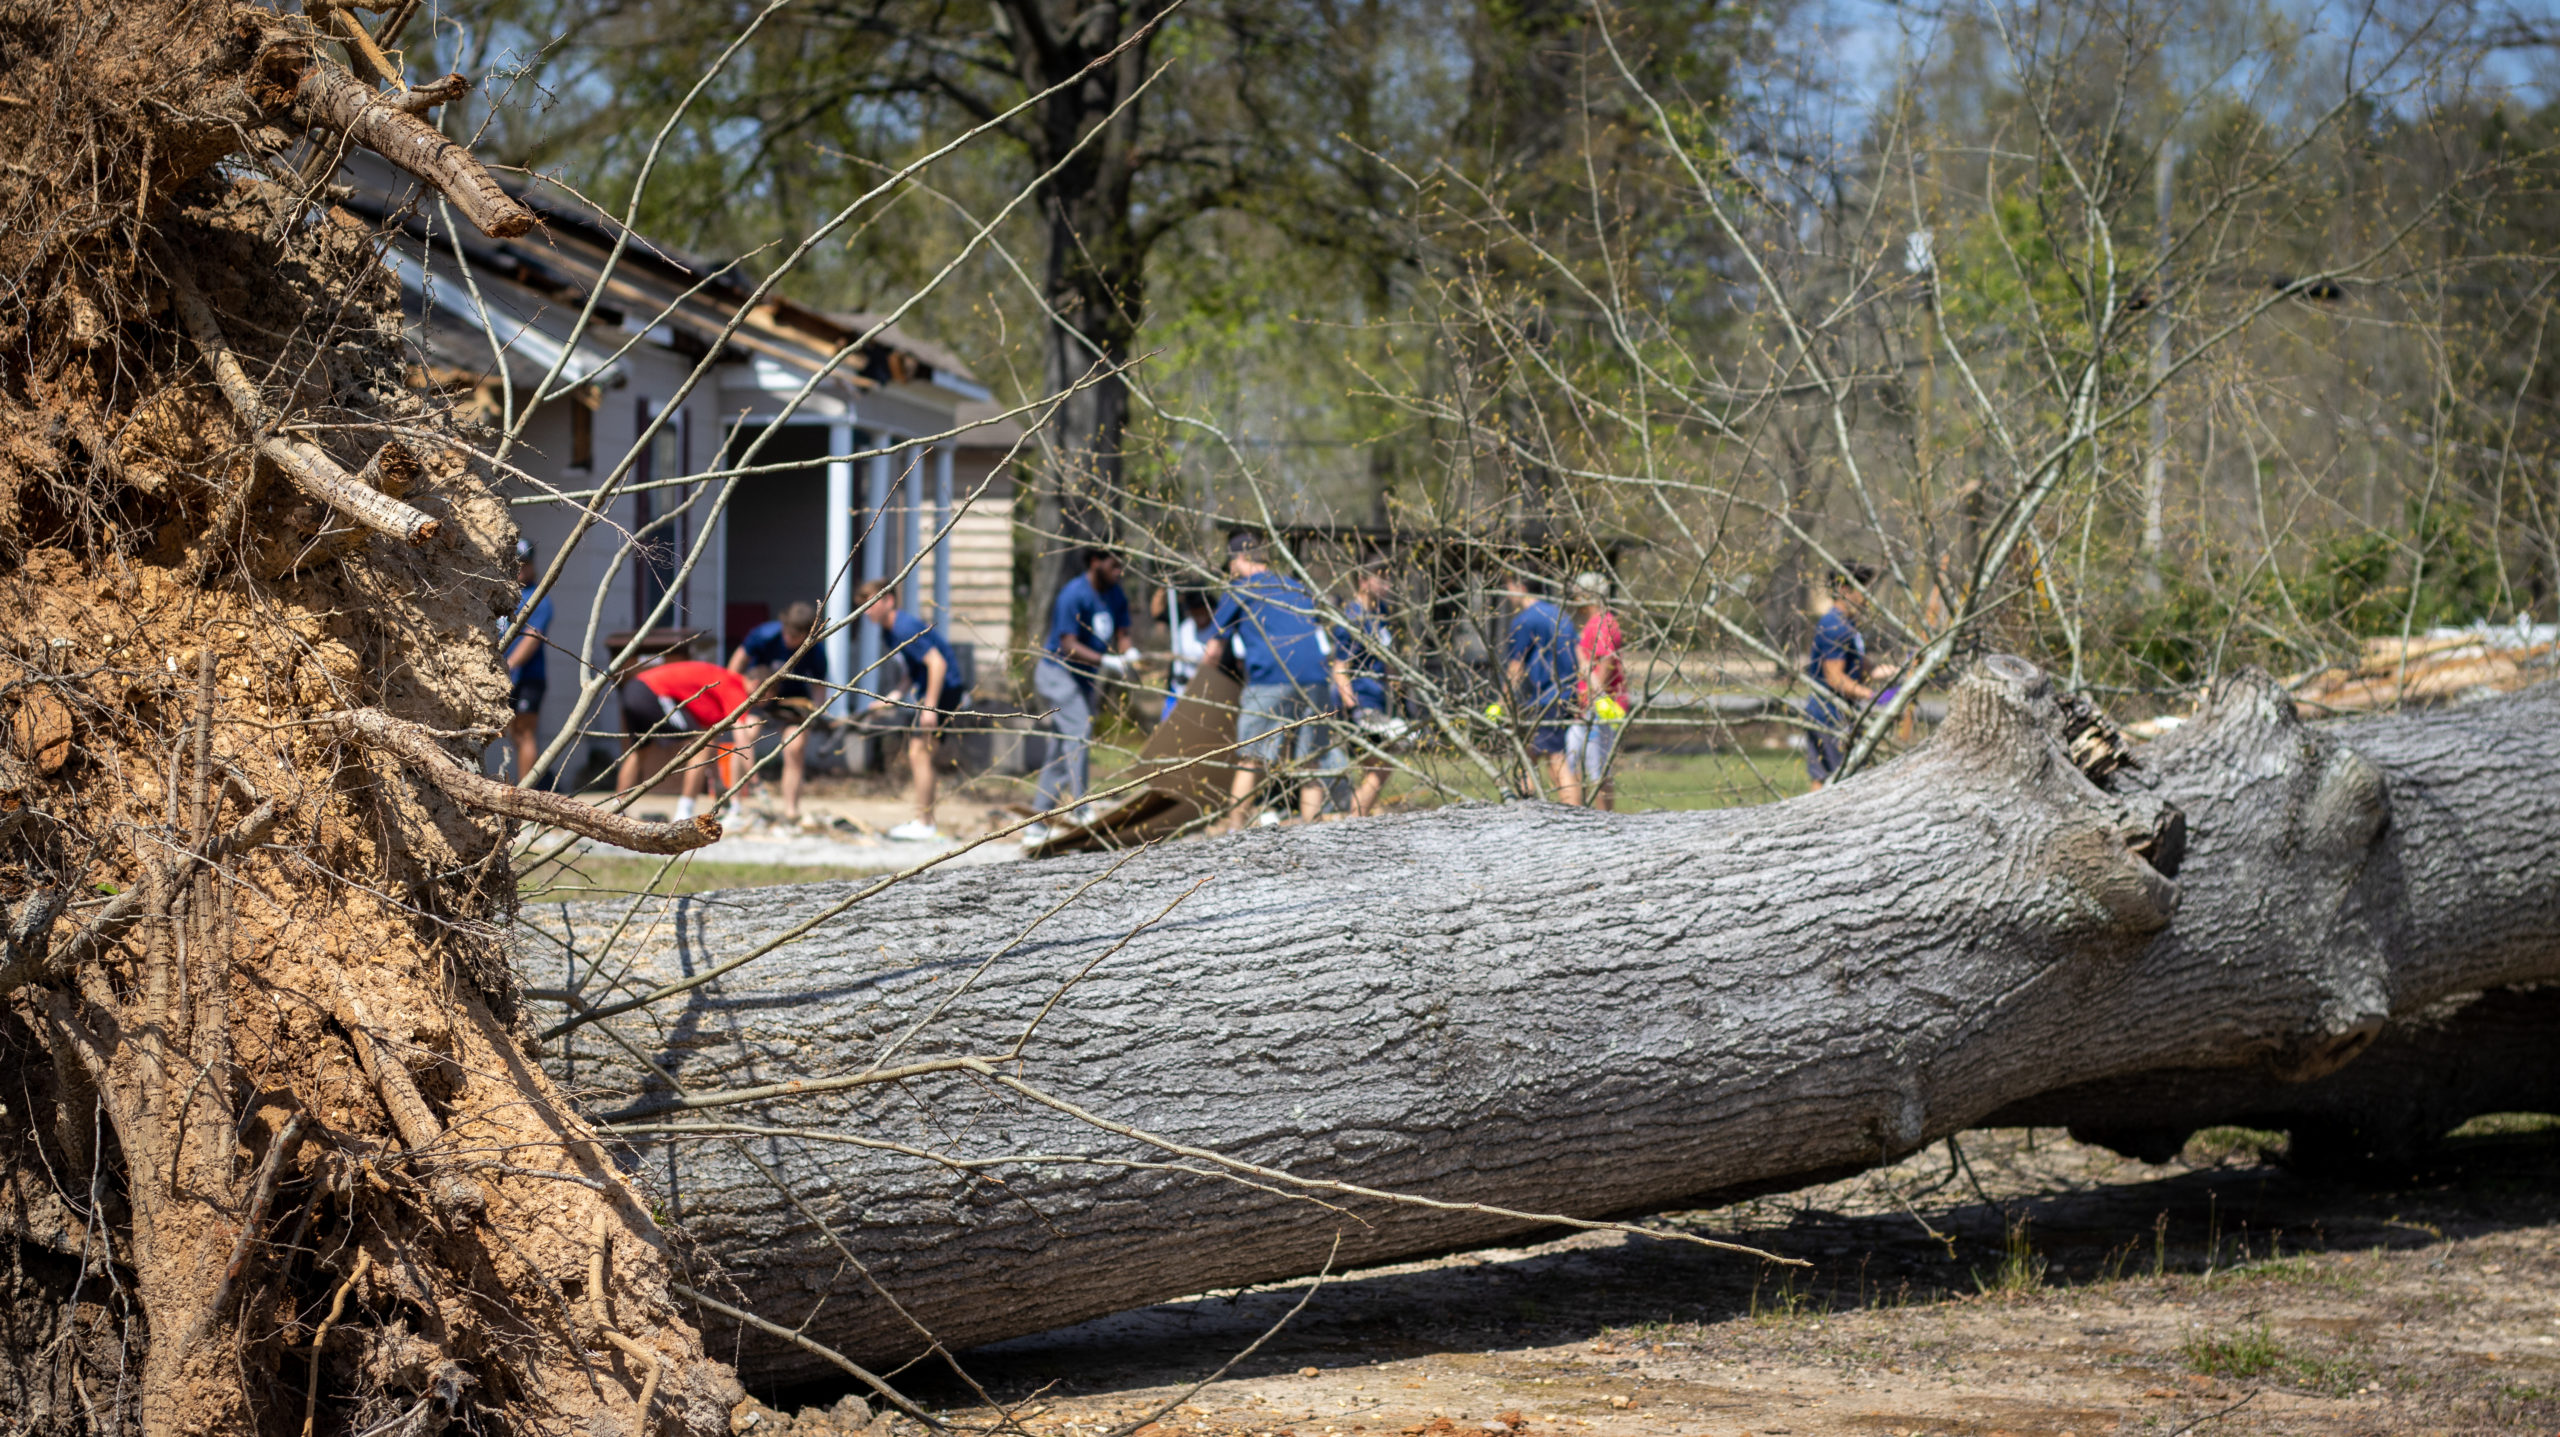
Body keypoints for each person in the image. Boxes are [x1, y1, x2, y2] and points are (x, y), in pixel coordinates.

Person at [1202, 531, 1336, 831]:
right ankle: (1313, 831)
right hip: (1316, 678)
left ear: (1239, 560)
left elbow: (1212, 651)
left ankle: (1234, 832)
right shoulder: (1296, 586)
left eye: (1231, 563)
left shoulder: (1240, 588)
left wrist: (1200, 689)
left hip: (1271, 679)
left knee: (1252, 757)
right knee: (1310, 760)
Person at [1029, 548, 1135, 834]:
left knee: (1061, 747)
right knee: (1079, 734)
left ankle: (1038, 821)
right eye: (1114, 565)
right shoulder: (1073, 594)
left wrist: (1129, 653)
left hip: (1082, 679)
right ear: (1095, 561)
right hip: (1058, 673)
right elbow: (1068, 645)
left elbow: (1123, 633)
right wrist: (1107, 660)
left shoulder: (1115, 594)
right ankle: (1081, 808)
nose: (1118, 571)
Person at [855, 580, 969, 842]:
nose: (866, 610)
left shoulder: (903, 626)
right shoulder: (888, 630)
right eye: (863, 605)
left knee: (919, 752)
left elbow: (937, 665)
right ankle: (925, 821)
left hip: (944, 691)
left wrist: (929, 706)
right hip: (934, 691)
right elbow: (913, 668)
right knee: (921, 753)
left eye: (872, 602)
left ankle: (925, 823)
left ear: (889, 601)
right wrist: (893, 697)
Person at [615, 654, 754, 821]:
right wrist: (755, 778)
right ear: (757, 685)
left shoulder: (713, 693)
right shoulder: (735, 686)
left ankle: (617, 809)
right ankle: (684, 812)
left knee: (639, 751)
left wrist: (718, 783)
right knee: (700, 744)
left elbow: (711, 740)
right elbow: (742, 737)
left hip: (633, 689)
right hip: (652, 692)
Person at [726, 599, 826, 821]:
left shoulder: (815, 649)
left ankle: (791, 810)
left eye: (795, 637)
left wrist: (815, 713)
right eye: (787, 634)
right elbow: (736, 664)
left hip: (794, 701)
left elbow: (819, 686)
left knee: (794, 746)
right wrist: (735, 697)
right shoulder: (764, 635)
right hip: (760, 695)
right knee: (745, 737)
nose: (789, 640)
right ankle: (735, 804)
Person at [1804, 563, 1897, 789]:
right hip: (1829, 715)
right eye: (1863, 589)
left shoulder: (1849, 624)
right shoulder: (1834, 625)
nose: (1867, 597)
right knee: (1832, 781)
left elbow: (1865, 668)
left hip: (1845, 713)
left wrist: (1903, 670)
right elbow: (1835, 678)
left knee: (1845, 779)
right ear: (1845, 590)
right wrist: (1873, 696)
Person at [1502, 574, 1581, 805]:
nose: (1507, 594)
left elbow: (1515, 667)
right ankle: (1527, 810)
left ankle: (1576, 817)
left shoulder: (1525, 620)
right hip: (1566, 694)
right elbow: (1578, 655)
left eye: (1508, 586)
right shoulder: (1559, 614)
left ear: (1520, 585)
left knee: (1556, 757)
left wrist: (1503, 703)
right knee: (1529, 753)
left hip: (1546, 697)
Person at [1330, 565, 1398, 817]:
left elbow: (1386, 656)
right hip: (1360, 702)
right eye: (1382, 580)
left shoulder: (1380, 611)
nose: (1387, 587)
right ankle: (1353, 821)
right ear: (1363, 580)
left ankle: (1358, 817)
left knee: (1376, 767)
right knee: (1381, 767)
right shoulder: (1352, 617)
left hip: (1378, 700)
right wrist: (1353, 710)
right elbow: (1340, 669)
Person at [1566, 571, 1628, 811]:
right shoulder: (1595, 624)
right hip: (1588, 706)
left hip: (1600, 707)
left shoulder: (1604, 623)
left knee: (1597, 768)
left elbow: (1607, 661)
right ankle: (1581, 815)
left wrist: (1595, 696)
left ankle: (1603, 821)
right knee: (1573, 754)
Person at [501, 539, 551, 783]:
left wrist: (507, 665)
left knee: (524, 733)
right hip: (504, 677)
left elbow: (533, 638)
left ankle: (525, 793)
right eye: (515, 564)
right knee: (512, 734)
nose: (520, 569)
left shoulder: (538, 597)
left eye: (524, 564)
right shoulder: (504, 594)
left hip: (528, 677)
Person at [1158, 588, 1213, 723]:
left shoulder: (1218, 630)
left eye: (1202, 612)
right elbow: (1156, 612)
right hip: (1180, 687)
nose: (1199, 617)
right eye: (1195, 613)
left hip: (1207, 688)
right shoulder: (1185, 629)